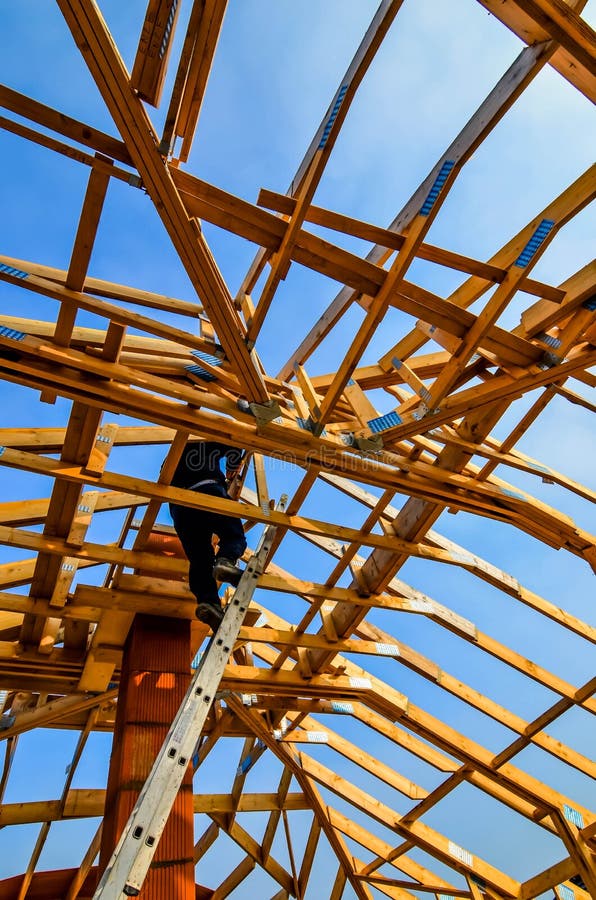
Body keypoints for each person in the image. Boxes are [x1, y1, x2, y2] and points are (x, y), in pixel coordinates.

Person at [169, 440, 247, 632]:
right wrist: (231, 467)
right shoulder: (202, 441)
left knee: (200, 558)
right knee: (233, 533)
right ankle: (226, 561)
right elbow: (235, 443)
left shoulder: (172, 457)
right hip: (207, 489)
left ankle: (208, 602)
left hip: (180, 510)